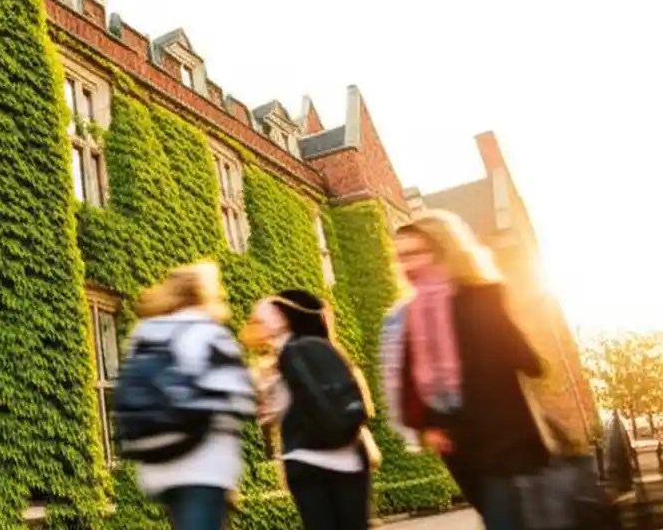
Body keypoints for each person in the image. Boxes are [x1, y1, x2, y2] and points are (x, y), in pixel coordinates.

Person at [380, 210, 549, 530]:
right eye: (401, 257)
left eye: (416, 253)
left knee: (504, 518)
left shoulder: (481, 297)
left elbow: (528, 361)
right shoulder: (406, 316)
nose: (408, 264)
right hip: (457, 445)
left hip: (501, 435)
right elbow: (406, 383)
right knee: (497, 515)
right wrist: (429, 425)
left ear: (443, 250)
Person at [120, 260, 256, 530]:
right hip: (204, 465)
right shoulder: (209, 333)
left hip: (158, 464)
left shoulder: (144, 332)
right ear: (205, 294)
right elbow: (239, 398)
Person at [243, 290, 378, 530]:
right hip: (347, 455)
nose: (255, 325)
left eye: (261, 319)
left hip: (305, 460)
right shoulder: (325, 347)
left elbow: (269, 416)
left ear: (282, 319)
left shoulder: (284, 357)